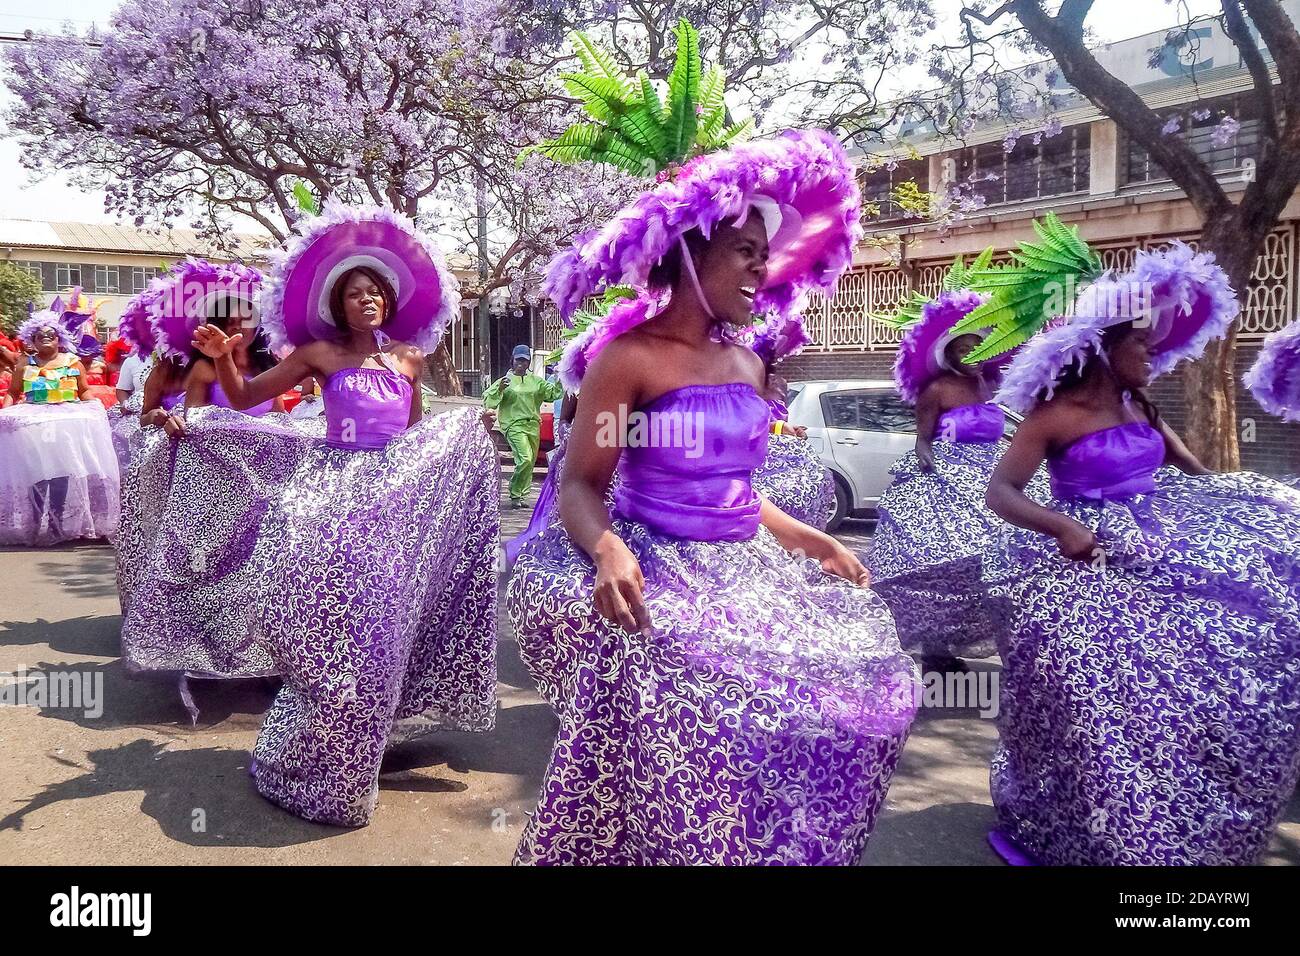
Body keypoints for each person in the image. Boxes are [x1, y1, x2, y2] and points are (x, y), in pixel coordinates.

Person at [507, 129, 917, 865]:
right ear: (692, 254)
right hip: (659, 570)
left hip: (747, 568)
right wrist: (607, 549)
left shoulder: (745, 362)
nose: (763, 269)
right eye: (745, 252)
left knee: (869, 692)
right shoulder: (626, 362)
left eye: (767, 254)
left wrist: (810, 538)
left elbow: (736, 492)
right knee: (700, 738)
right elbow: (578, 482)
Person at [983, 244, 1300, 865]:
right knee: (1096, 708)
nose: (1155, 360)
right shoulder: (1056, 415)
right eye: (1145, 349)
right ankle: (1077, 823)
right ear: (1107, 345)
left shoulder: (1141, 410)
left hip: (1156, 557)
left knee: (1212, 673)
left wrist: (1255, 514)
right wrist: (1060, 527)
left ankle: (1175, 823)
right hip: (1084, 569)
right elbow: (1002, 490)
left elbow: (1201, 478)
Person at [190, 201, 498, 826]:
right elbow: (248, 396)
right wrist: (225, 357)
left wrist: (462, 437)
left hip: (395, 502)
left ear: (387, 302)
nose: (365, 301)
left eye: (374, 293)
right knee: (323, 612)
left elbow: (414, 436)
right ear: (338, 305)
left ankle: (370, 726)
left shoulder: (409, 359)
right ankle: (321, 730)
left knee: (385, 616)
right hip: (333, 493)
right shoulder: (319, 354)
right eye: (354, 294)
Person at [867, 283, 1046, 668]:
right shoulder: (938, 389)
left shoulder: (992, 385)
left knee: (1005, 557)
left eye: (977, 348)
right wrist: (929, 466)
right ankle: (936, 647)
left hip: (992, 473)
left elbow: (1019, 419)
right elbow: (923, 438)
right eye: (963, 349)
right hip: (947, 476)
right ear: (949, 353)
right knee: (940, 561)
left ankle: (1008, 635)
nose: (972, 355)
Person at [0, 310, 118, 545]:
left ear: (59, 338)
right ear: (31, 340)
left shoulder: (72, 362)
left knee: (61, 473)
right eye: (39, 335)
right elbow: (13, 393)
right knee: (36, 472)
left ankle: (56, 524)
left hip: (66, 421)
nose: (45, 338)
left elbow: (83, 390)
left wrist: (93, 406)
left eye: (50, 334)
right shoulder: (25, 364)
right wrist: (5, 413)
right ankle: (34, 522)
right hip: (35, 422)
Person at [483, 344, 563, 508]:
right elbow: (489, 401)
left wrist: (559, 377)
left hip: (533, 425)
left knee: (530, 461)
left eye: (525, 361)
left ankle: (520, 496)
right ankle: (515, 491)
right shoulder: (504, 381)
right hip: (513, 425)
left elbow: (554, 393)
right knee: (525, 457)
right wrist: (499, 389)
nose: (522, 364)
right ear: (512, 360)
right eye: (518, 360)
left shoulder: (536, 382)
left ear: (529, 362)